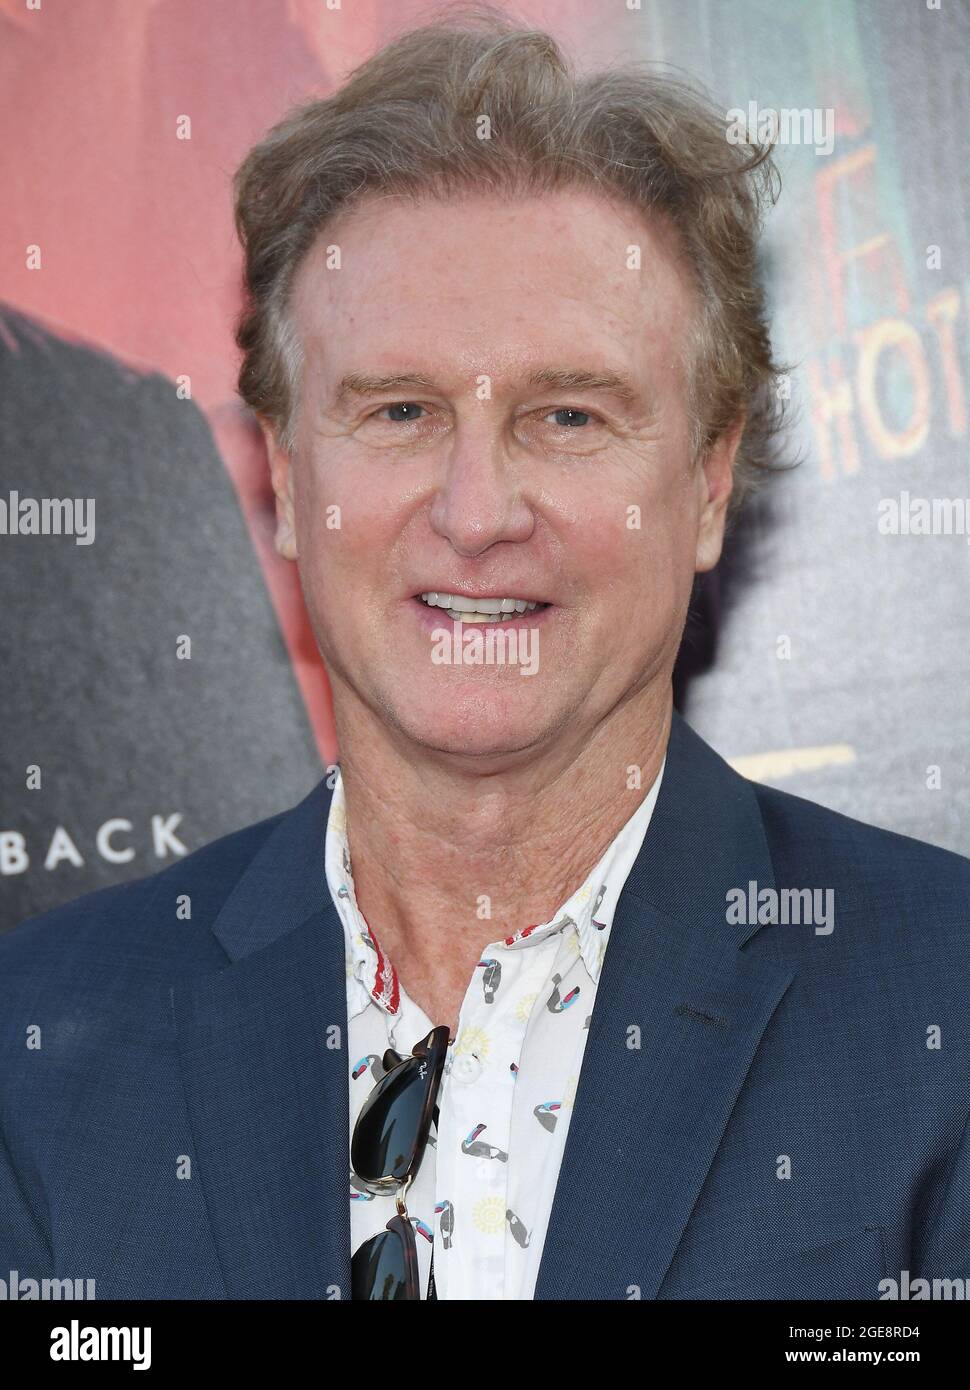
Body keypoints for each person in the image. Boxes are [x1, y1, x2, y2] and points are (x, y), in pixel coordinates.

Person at [2, 11, 968, 1302]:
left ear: (707, 483)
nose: (475, 510)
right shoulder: (39, 1040)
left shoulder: (941, 1005)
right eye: (398, 411)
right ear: (286, 477)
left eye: (567, 415)